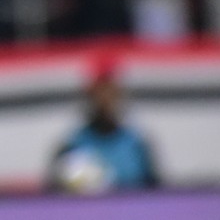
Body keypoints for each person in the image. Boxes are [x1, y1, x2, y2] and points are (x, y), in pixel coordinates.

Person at [48, 62, 159, 195]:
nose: (105, 100)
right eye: (99, 92)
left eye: (111, 91)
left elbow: (156, 193)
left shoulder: (137, 146)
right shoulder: (71, 146)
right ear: (89, 96)